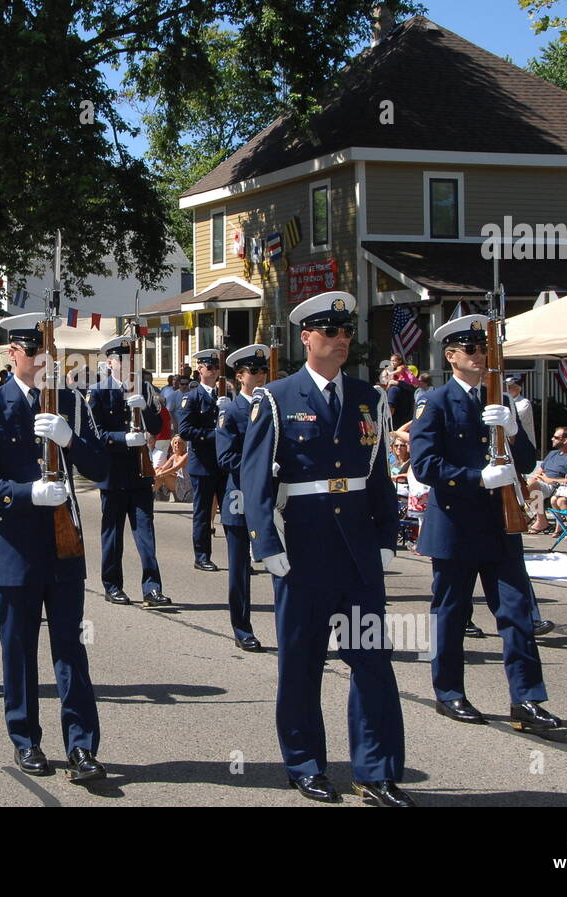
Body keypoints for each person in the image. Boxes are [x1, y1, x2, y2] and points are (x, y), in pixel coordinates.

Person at [240, 291, 411, 807]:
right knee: (302, 663)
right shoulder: (275, 399)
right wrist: (265, 544)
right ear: (306, 337)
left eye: (346, 332)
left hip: (358, 553)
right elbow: (255, 483)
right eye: (329, 332)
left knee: (372, 661)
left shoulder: (369, 398)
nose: (341, 341)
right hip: (303, 551)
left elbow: (378, 474)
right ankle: (305, 765)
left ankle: (376, 772)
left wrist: (387, 535)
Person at [0, 312, 109, 782]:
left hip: (65, 544)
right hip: (17, 546)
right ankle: (26, 740)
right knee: (19, 649)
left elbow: (102, 468)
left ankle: (82, 747)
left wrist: (71, 439)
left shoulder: (72, 401)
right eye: (34, 352)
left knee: (71, 651)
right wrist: (25, 494)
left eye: (50, 353)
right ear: (13, 354)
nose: (44, 361)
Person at [409, 314, 562, 734]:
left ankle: (527, 699)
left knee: (515, 613)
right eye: (473, 349)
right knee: (452, 614)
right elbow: (424, 465)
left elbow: (529, 461)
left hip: (500, 523)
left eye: (486, 349)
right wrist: (477, 477)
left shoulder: (501, 400)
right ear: (452, 356)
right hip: (456, 523)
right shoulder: (435, 401)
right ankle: (449, 692)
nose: (482, 356)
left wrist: (512, 430)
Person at [86, 335, 169, 607]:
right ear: (110, 363)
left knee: (146, 533)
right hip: (112, 474)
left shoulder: (144, 389)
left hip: (139, 473)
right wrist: (123, 439)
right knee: (112, 535)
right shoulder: (98, 391)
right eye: (121, 359)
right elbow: (96, 434)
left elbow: (157, 428)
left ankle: (152, 588)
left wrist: (145, 409)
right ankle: (112, 585)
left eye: (131, 359)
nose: (127, 364)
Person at [215, 343, 270, 651]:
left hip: (273, 497)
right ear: (240, 377)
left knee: (282, 565)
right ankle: (242, 628)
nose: (261, 375)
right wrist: (262, 466)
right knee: (240, 570)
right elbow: (226, 458)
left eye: (264, 370)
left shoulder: (273, 406)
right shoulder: (232, 411)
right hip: (240, 496)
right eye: (255, 371)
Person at [175, 349, 226, 571]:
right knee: (204, 513)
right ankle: (202, 555)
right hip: (204, 463)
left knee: (233, 513)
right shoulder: (192, 397)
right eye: (209, 367)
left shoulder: (224, 395)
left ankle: (239, 557)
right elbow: (185, 430)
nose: (214, 371)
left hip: (223, 463)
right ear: (200, 370)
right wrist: (215, 433)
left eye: (216, 367)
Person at [526, 427, 567, 533]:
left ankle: (541, 521)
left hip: (557, 487)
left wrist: (548, 480)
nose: (552, 439)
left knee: (531, 483)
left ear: (565, 440)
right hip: (542, 482)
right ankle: (524, 517)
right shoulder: (552, 454)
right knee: (519, 484)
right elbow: (539, 471)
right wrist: (539, 477)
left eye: (556, 437)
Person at [153, 435, 191, 502]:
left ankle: (150, 494)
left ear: (184, 445)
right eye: (175, 443)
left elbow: (174, 469)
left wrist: (159, 474)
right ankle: (151, 492)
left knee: (163, 476)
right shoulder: (173, 456)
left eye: (180, 442)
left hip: (184, 485)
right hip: (177, 481)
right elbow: (163, 468)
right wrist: (157, 471)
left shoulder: (186, 456)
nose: (177, 444)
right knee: (159, 471)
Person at [506, 376, 536, 451]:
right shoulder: (506, 402)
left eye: (509, 388)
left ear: (518, 389)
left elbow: (513, 419)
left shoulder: (524, 403)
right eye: (505, 387)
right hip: (511, 444)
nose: (506, 390)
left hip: (525, 443)